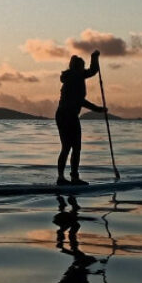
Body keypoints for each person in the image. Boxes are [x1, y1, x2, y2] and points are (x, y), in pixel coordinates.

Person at [56, 51, 107, 185]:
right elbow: (80, 101)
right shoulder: (76, 78)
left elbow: (92, 71)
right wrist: (98, 109)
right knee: (74, 147)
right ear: (78, 67)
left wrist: (94, 58)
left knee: (67, 147)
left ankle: (63, 177)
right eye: (82, 67)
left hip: (63, 115)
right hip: (68, 116)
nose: (84, 70)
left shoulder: (74, 75)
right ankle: (72, 178)